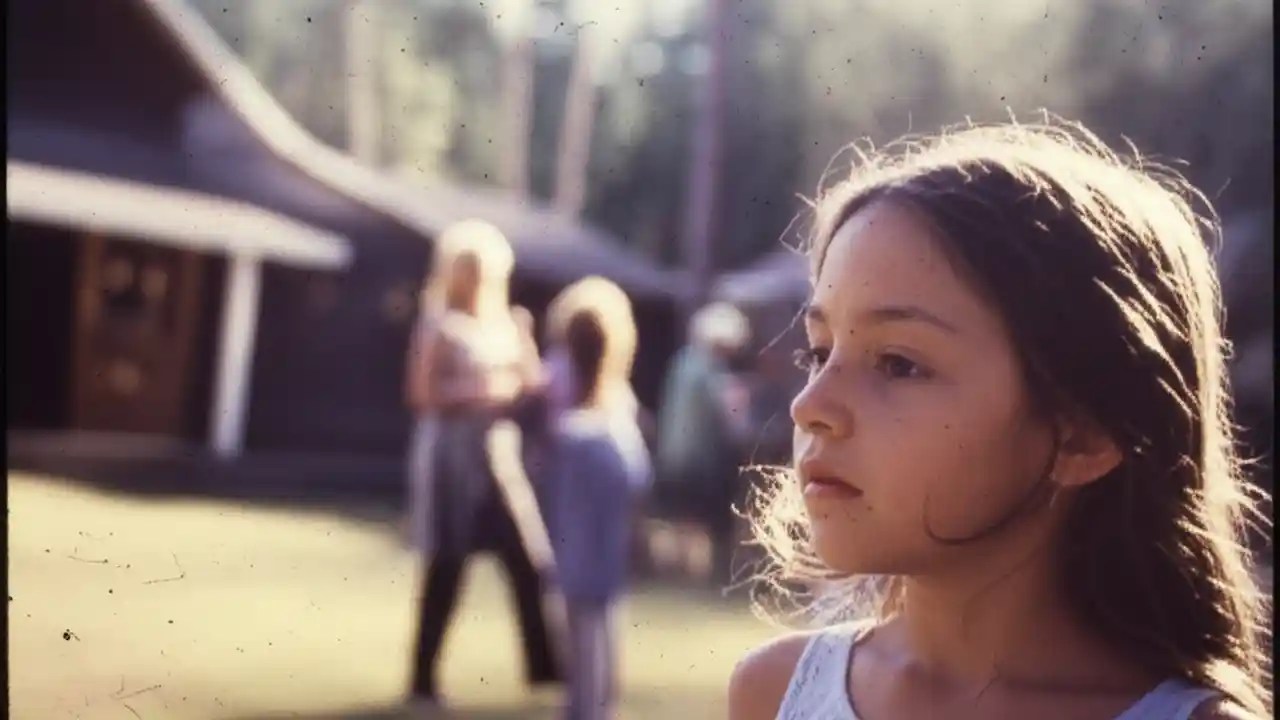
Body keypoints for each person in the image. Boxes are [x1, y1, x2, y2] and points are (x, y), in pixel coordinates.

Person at [728, 117, 1271, 719]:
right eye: (819, 352)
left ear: (1083, 431)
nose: (811, 407)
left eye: (898, 364)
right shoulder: (776, 693)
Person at [404, 219, 564, 707]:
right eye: (466, 269)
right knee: (447, 564)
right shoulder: (439, 323)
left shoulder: (502, 325)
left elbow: (533, 384)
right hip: (451, 457)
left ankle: (545, 671)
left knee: (529, 560)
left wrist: (524, 341)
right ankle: (422, 681)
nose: (474, 279)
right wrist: (488, 391)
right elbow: (421, 393)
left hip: (498, 455)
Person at [545, 291, 652, 720]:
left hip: (582, 533)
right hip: (603, 537)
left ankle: (587, 708)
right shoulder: (618, 412)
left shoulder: (574, 417)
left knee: (583, 622)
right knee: (600, 622)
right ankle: (594, 707)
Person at [655, 301, 752, 582]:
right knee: (698, 523)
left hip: (672, 453)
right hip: (699, 458)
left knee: (679, 521)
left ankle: (677, 578)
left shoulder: (681, 361)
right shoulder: (711, 370)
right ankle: (696, 578)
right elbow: (731, 417)